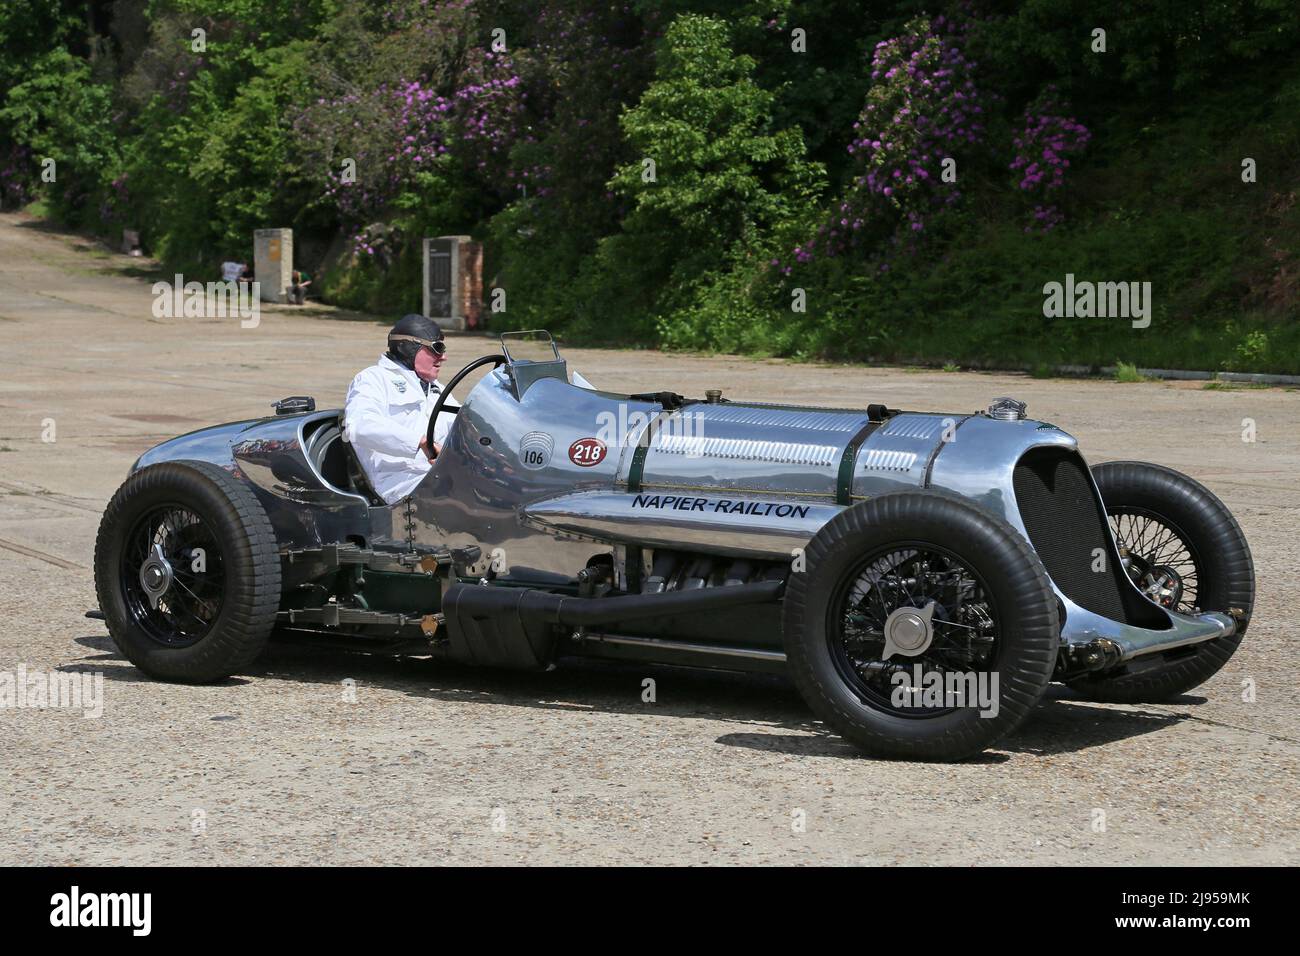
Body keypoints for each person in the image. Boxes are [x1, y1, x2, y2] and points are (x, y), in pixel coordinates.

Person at [343, 314, 456, 504]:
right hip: (395, 479)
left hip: (433, 474)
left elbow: (464, 424)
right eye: (437, 348)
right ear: (407, 348)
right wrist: (420, 443)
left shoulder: (436, 388)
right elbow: (359, 425)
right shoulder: (373, 379)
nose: (443, 357)